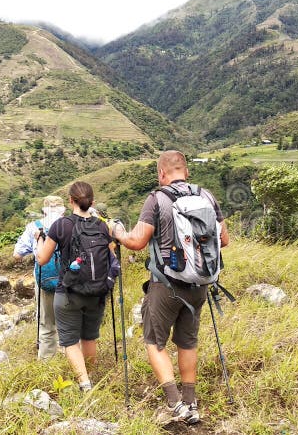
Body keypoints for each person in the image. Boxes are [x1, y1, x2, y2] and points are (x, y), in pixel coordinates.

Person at [109, 151, 230, 425]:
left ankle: (175, 403)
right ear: (186, 171)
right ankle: (191, 402)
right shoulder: (206, 196)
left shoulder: (157, 198)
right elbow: (224, 240)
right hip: (199, 284)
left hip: (166, 284)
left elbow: (137, 241)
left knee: (154, 341)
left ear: (161, 173)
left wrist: (117, 232)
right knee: (188, 341)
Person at [35, 182, 116, 392]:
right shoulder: (102, 226)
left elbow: (42, 259)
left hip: (69, 292)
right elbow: (111, 255)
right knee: (89, 337)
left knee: (70, 341)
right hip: (97, 292)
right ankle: (91, 375)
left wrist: (39, 241)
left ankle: (85, 383)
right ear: (92, 202)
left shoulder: (61, 225)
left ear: (71, 201)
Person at [13, 195, 66, 360]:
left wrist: (36, 246)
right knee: (70, 322)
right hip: (69, 280)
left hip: (45, 280)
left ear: (44, 211)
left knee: (46, 323)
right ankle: (72, 359)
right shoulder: (71, 225)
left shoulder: (34, 227)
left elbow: (17, 254)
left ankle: (46, 362)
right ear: (63, 211)